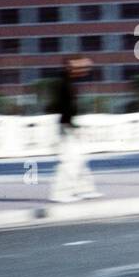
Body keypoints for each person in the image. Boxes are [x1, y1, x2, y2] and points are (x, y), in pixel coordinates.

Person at [49, 56, 101, 203]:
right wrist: (71, 126)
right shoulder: (63, 84)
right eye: (82, 66)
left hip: (68, 125)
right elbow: (63, 108)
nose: (85, 70)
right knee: (70, 161)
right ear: (71, 66)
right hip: (66, 127)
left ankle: (84, 189)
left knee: (79, 159)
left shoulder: (69, 83)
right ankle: (60, 193)